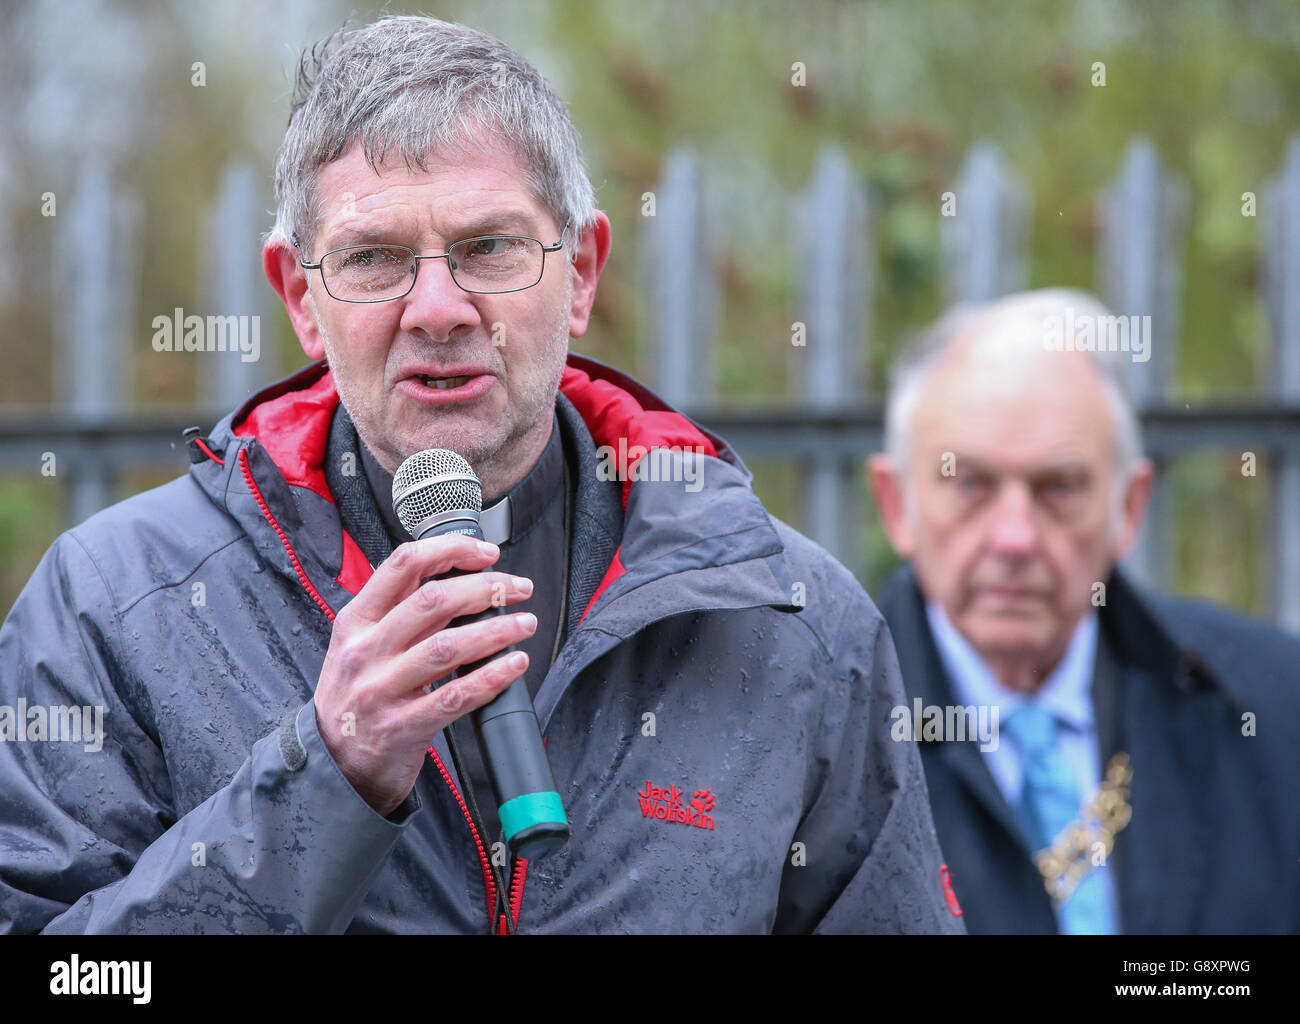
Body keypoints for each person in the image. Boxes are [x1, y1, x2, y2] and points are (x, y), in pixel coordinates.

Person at [0, 15, 962, 935]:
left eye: (488, 249)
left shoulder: (790, 624)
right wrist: (325, 778)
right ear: (300, 296)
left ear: (581, 271)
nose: (437, 309)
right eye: (374, 258)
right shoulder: (114, 609)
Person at [867, 288, 1300, 934]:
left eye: (1059, 487)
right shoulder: (828, 730)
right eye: (970, 484)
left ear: (1129, 507)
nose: (1014, 537)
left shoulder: (1272, 703)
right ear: (897, 502)